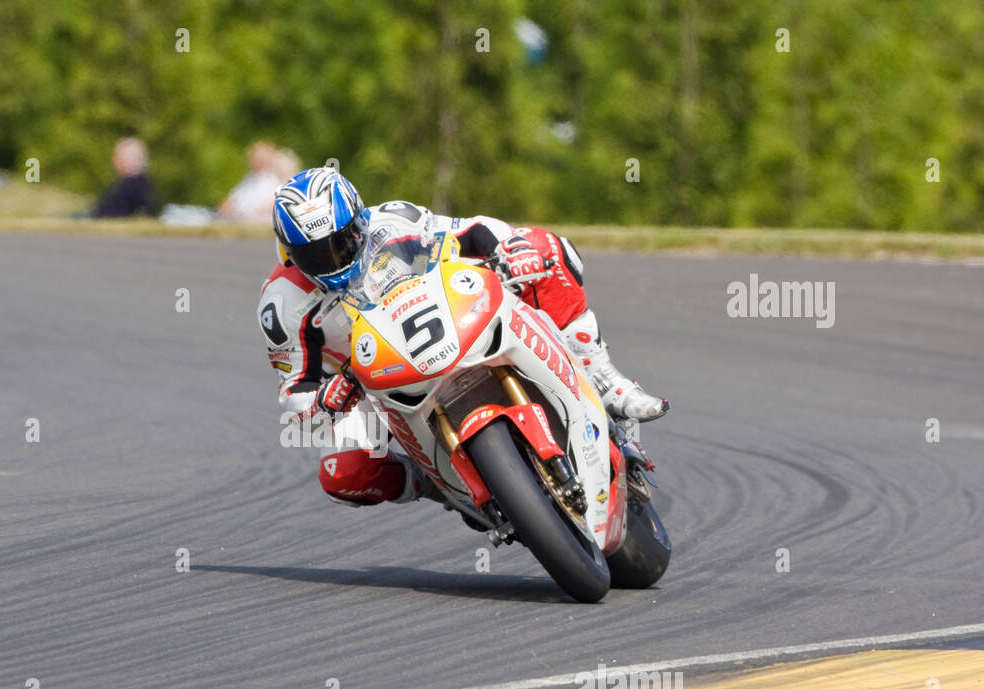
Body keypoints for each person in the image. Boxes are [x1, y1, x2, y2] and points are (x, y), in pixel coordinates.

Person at [259, 166, 668, 507]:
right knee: (342, 473)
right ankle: (431, 482)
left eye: (342, 241)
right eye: (316, 254)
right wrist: (322, 400)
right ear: (288, 253)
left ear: (360, 221)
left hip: (451, 322)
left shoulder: (394, 220)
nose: (336, 258)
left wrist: (511, 247)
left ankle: (603, 376)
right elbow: (294, 393)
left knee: (547, 247)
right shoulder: (281, 305)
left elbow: (471, 231)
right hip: (368, 386)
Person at [218, 141, 283, 223]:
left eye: (260, 158)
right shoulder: (248, 180)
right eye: (254, 157)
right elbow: (227, 203)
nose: (256, 161)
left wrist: (246, 213)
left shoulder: (274, 183)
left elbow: (272, 207)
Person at [92, 138, 158, 218]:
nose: (114, 160)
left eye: (118, 157)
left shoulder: (134, 185)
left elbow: (115, 212)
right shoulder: (131, 182)